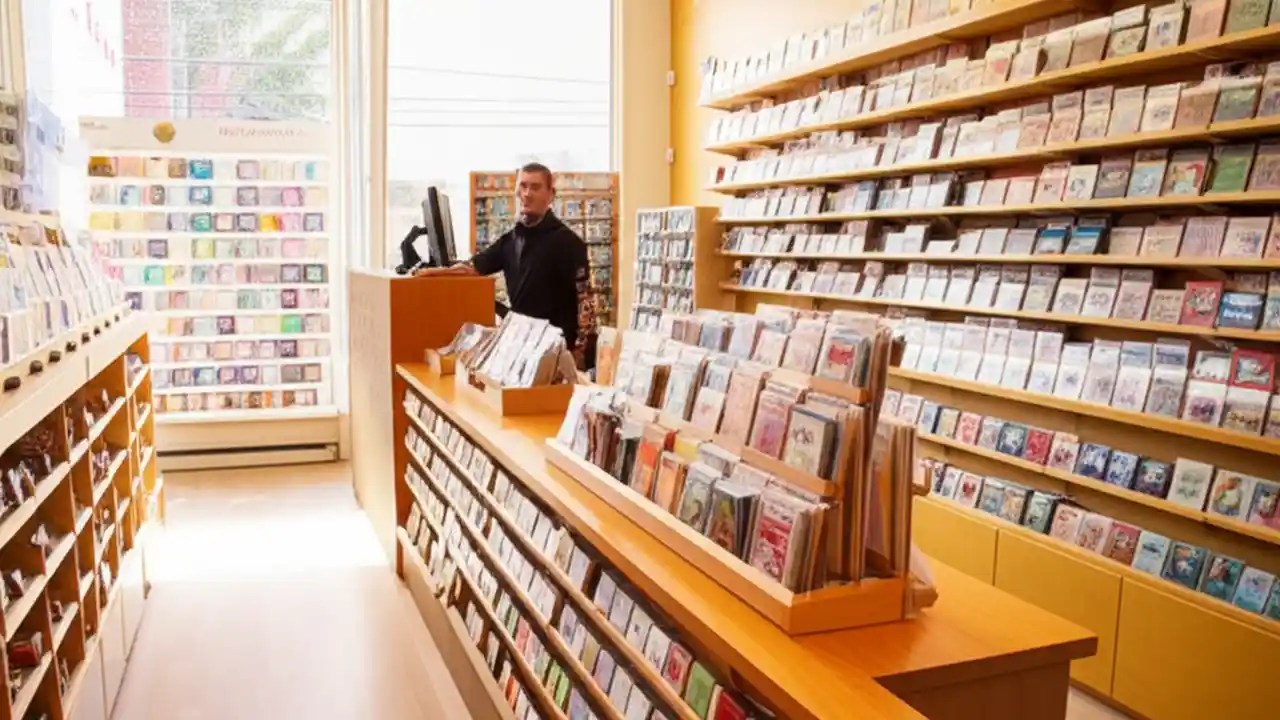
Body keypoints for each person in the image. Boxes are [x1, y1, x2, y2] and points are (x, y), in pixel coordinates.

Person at [417, 162, 596, 363]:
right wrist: (430, 273)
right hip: (522, 351)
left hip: (556, 354)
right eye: (523, 186)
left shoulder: (568, 243)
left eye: (535, 187)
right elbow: (472, 268)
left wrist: (580, 358)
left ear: (551, 194)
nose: (527, 194)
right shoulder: (511, 240)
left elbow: (585, 304)